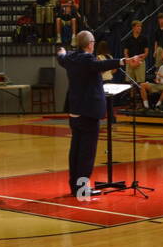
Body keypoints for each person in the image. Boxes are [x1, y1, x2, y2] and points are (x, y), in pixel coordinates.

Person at [56, 30, 144, 198]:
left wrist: (61, 51)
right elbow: (102, 65)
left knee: (75, 150)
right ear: (90, 44)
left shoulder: (70, 58)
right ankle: (82, 189)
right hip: (88, 111)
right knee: (86, 154)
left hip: (75, 111)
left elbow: (61, 57)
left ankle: (75, 187)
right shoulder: (87, 59)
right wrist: (125, 61)